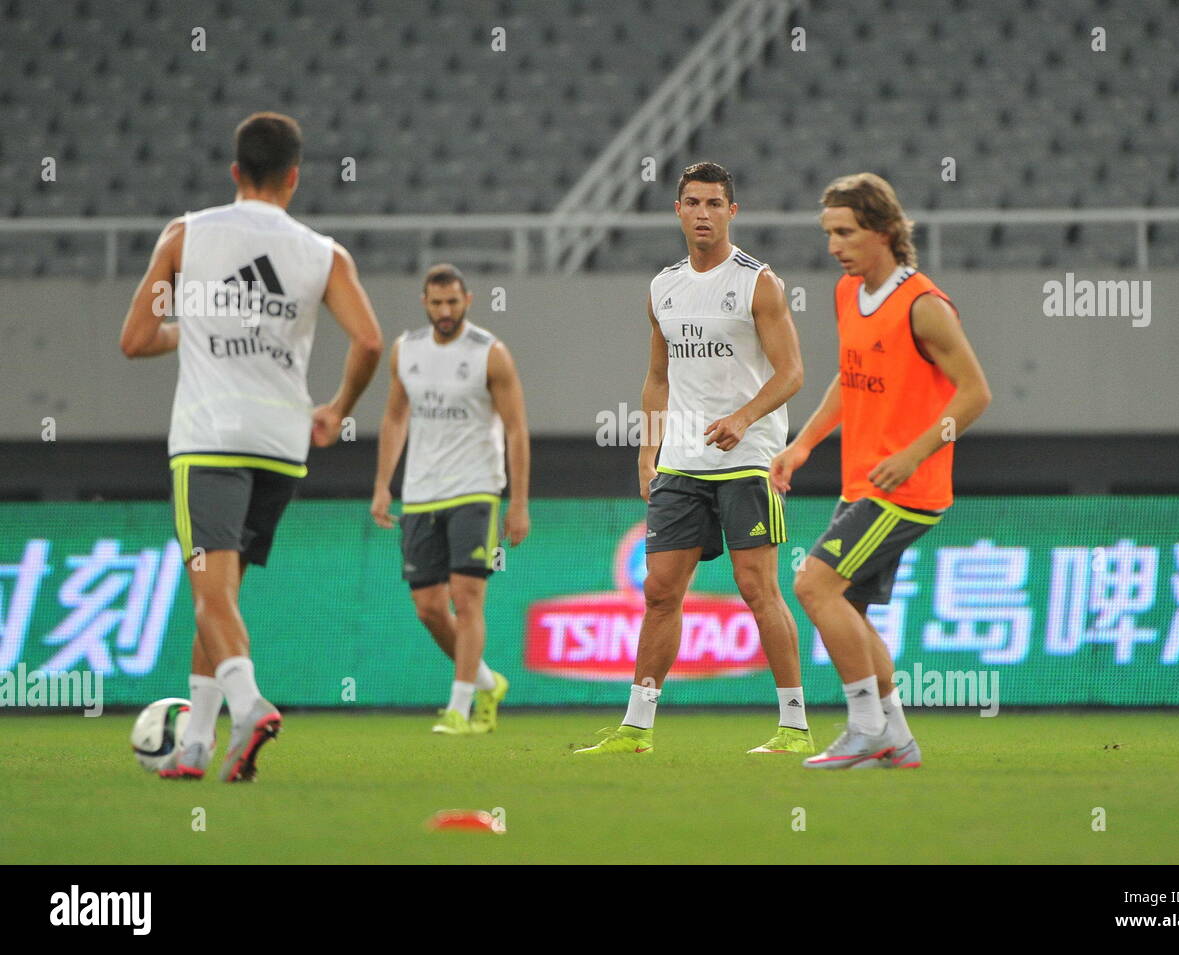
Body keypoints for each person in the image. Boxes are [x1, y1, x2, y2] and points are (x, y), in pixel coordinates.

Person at [119, 112, 384, 780]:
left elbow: (134, 339)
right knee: (223, 597)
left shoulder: (185, 235)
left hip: (210, 440)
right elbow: (371, 340)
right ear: (294, 178)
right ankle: (197, 748)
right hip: (281, 444)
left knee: (211, 596)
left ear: (235, 172)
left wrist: (191, 330)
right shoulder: (324, 253)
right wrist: (337, 410)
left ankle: (250, 703)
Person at [576, 162, 808, 756]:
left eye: (714, 203)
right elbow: (657, 378)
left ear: (733, 212)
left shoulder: (759, 283)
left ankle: (793, 725)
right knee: (658, 592)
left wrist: (742, 418)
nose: (703, 213)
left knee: (758, 589)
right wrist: (646, 451)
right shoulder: (663, 287)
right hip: (681, 462)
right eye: (692, 202)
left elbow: (792, 374)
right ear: (677, 210)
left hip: (748, 460)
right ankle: (636, 728)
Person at [771, 172, 992, 770]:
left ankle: (865, 726)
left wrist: (915, 452)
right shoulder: (848, 294)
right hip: (861, 482)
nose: (834, 245)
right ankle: (898, 738)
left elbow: (974, 395)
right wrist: (804, 444)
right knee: (850, 610)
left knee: (813, 585)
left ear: (886, 231)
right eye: (828, 233)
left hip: (905, 488)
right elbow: (851, 379)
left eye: (845, 232)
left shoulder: (925, 306)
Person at [370, 264, 529, 734]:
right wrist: (384, 483)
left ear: (468, 301)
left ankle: (458, 709)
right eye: (437, 303)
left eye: (453, 302)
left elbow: (517, 430)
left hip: (476, 488)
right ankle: (485, 682)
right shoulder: (406, 350)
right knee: (428, 608)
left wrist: (518, 501)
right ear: (424, 302)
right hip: (419, 493)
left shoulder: (489, 354)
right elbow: (395, 418)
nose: (445, 311)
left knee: (467, 598)